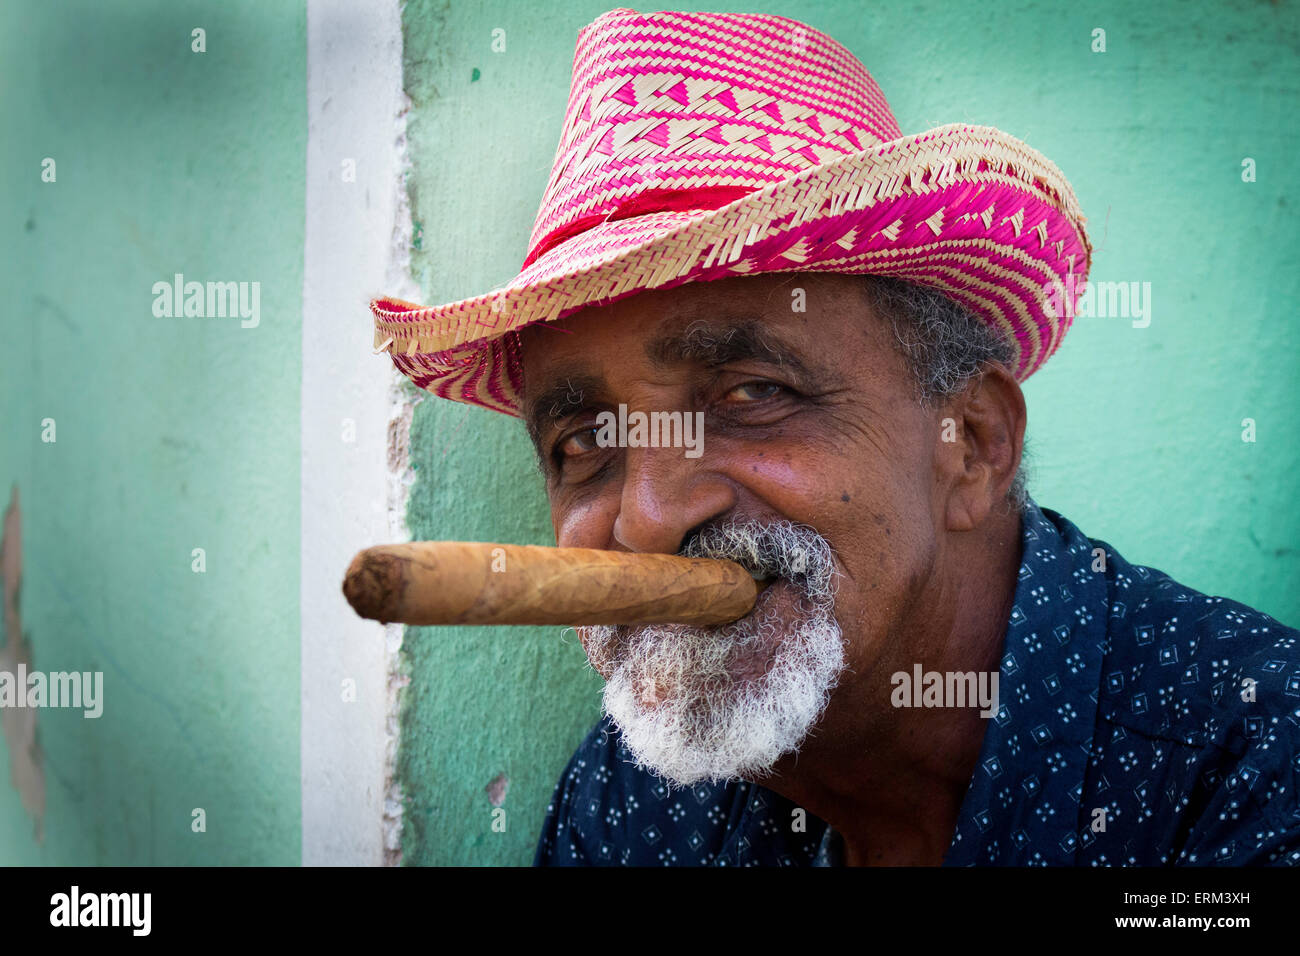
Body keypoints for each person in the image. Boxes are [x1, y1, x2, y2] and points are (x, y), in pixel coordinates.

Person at [368, 8, 1299, 866]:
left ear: (970, 443)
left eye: (751, 391)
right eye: (583, 444)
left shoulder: (1252, 766)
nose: (648, 520)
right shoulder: (635, 803)